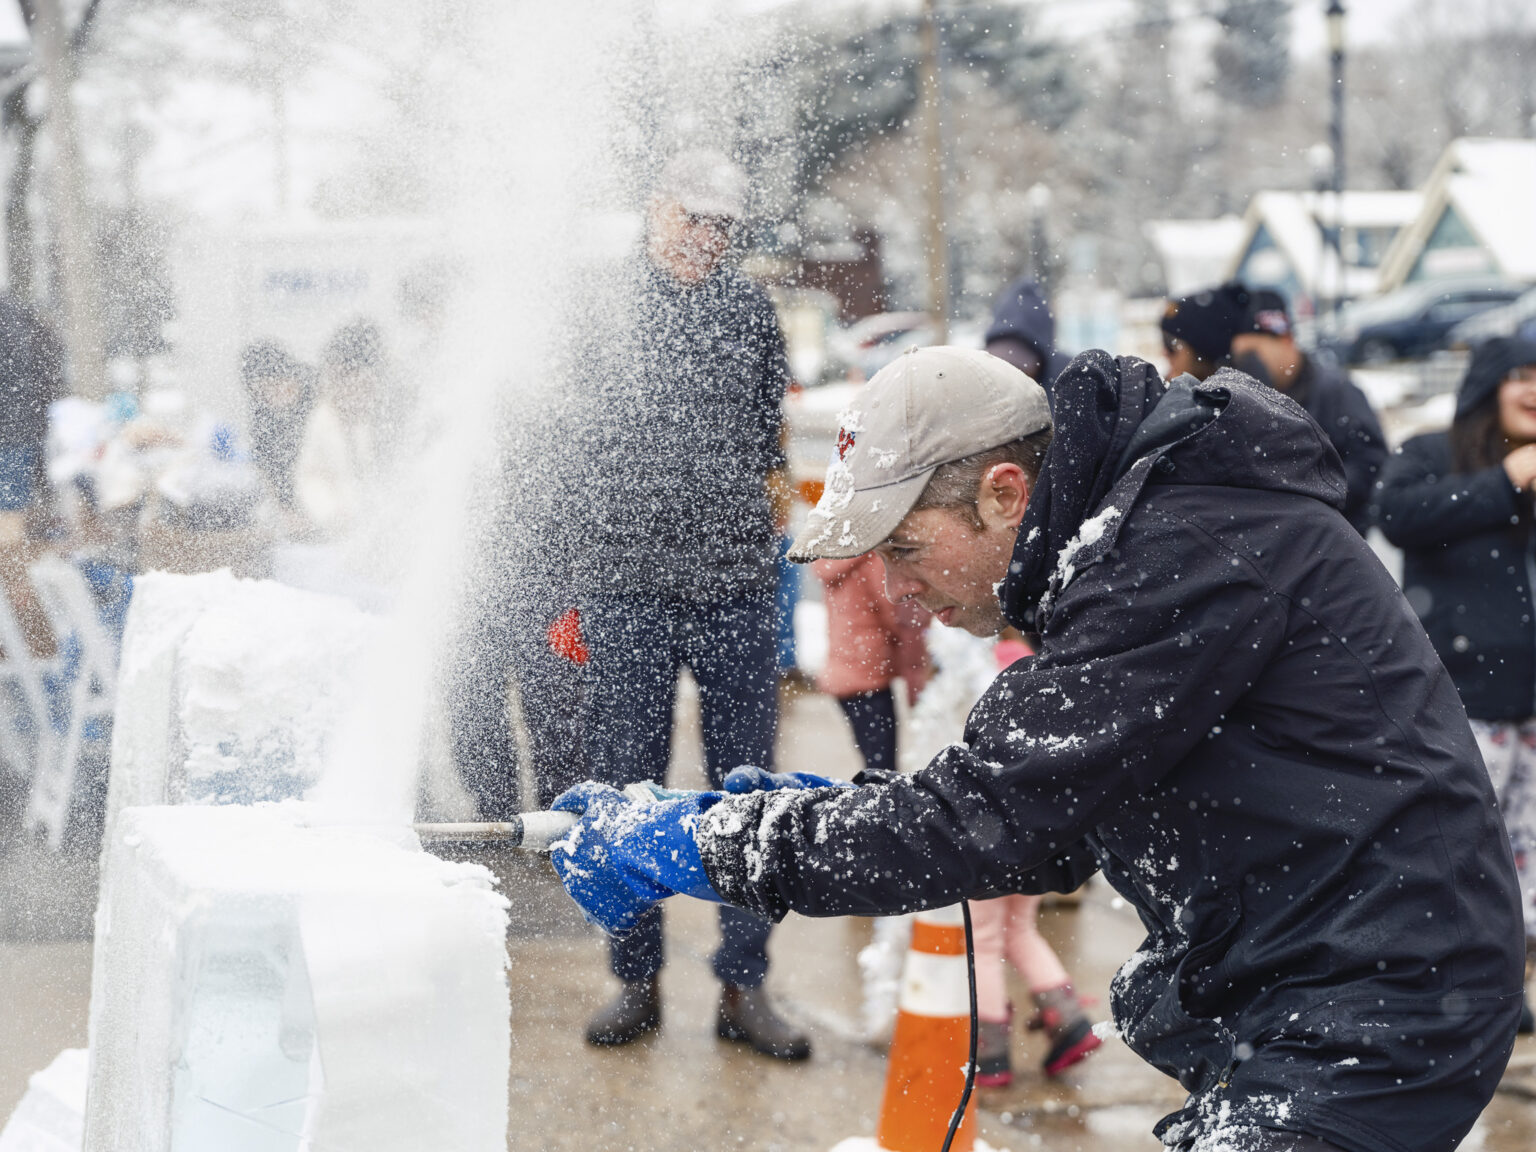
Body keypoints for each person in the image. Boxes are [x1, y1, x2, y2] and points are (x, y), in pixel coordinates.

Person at [550, 345, 1524, 1152]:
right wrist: (829, 817)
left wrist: (723, 840)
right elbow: (1039, 826)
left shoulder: (1181, 555)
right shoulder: (1131, 551)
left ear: (1004, 493)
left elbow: (981, 824)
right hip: (1308, 986)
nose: (895, 590)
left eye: (902, 548)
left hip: (1376, 1000)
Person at [570, 148, 807, 1060]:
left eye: (722, 225)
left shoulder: (751, 309)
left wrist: (762, 540)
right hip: (625, 583)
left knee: (750, 790)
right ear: (653, 209)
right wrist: (571, 581)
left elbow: (765, 440)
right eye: (690, 217)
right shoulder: (600, 311)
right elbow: (562, 448)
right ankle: (634, 978)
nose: (704, 238)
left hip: (736, 585)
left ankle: (744, 986)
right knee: (625, 788)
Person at [1375, 334, 1536, 1034]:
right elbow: (1397, 515)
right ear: (1491, 382)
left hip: (1532, 709)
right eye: (1525, 375)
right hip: (1462, 706)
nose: (1535, 391)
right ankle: (1436, 995)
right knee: (1453, 858)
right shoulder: (1430, 452)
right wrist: (1507, 483)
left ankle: (1505, 991)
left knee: (1526, 870)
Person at [1230, 290, 1386, 534]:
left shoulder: (1336, 391)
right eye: (1240, 357)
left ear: (1285, 340)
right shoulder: (1244, 398)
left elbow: (1371, 464)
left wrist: (1310, 496)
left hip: (1333, 546)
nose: (1247, 365)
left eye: (1252, 354)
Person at [810, 551, 928, 773]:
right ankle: (883, 806)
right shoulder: (870, 560)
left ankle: (877, 801)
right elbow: (896, 616)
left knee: (874, 762)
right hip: (870, 675)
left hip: (845, 668)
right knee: (883, 769)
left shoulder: (835, 556)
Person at [241, 341, 314, 512]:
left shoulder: (318, 392)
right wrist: (282, 510)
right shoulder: (263, 410)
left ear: (288, 376)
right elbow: (264, 463)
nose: (268, 397)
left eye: (272, 386)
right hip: (296, 504)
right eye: (259, 393)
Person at [984, 276, 1069, 392]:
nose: (1010, 376)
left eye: (1020, 368)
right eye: (1001, 365)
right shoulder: (970, 374)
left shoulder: (1068, 382)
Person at [1159, 282, 1250, 381]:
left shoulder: (1236, 393)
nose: (1164, 353)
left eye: (1170, 344)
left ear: (1200, 352)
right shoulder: (1163, 387)